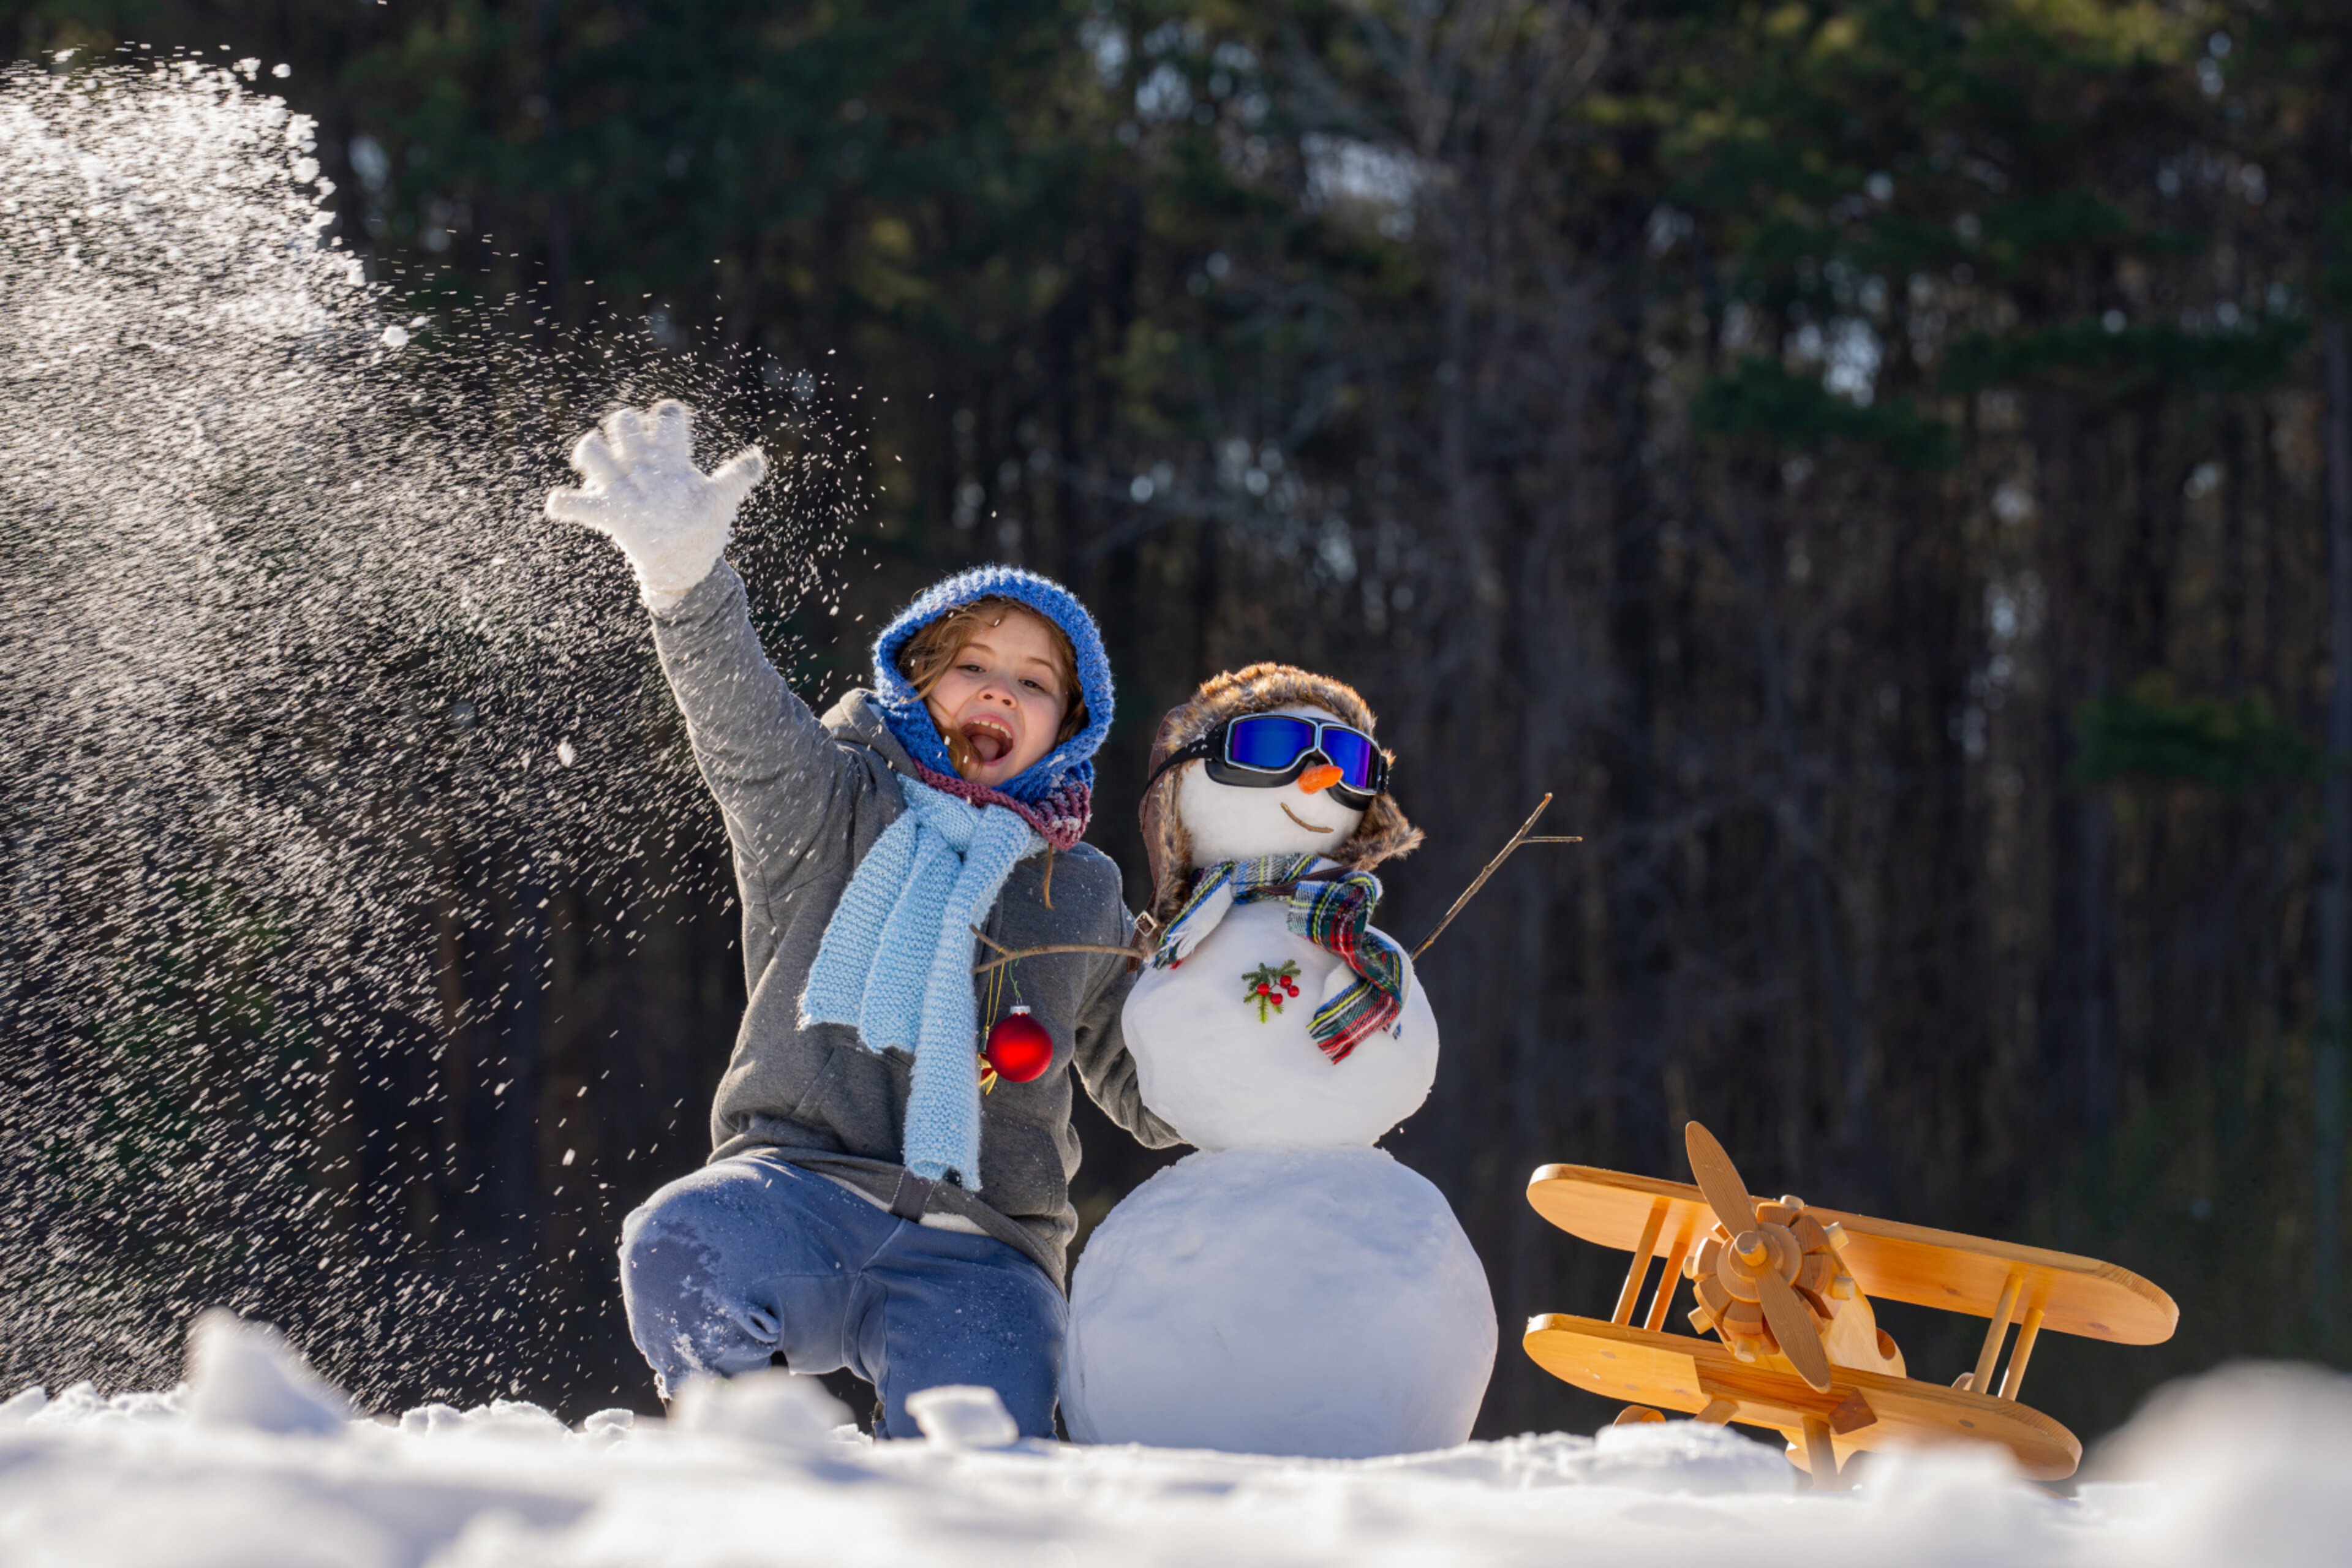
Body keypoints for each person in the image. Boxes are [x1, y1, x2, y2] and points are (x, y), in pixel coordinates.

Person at [545, 400, 1175, 1438]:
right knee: (678, 1242)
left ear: (1070, 727)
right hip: (795, 1188)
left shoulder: (1087, 891)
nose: (998, 693)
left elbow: (1153, 1095)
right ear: (917, 682)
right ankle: (761, 1472)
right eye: (972, 666)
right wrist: (687, 582)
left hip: (985, 1243)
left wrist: (1262, 1025)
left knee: (976, 1457)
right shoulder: (833, 801)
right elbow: (740, 724)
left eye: (1033, 684)